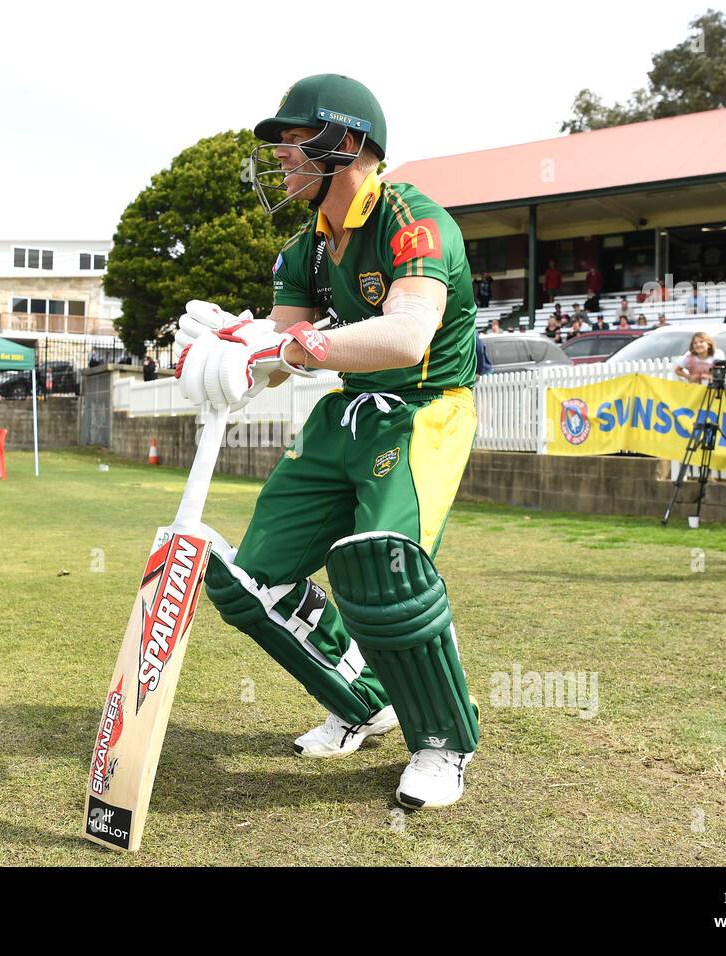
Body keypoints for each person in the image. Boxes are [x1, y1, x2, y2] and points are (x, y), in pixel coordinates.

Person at [182, 74, 481, 809]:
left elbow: (408, 336)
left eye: (292, 145)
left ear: (344, 143)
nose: (281, 162)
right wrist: (231, 352)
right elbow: (278, 355)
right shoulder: (304, 250)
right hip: (345, 416)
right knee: (251, 582)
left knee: (383, 574)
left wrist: (293, 348)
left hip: (423, 412)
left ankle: (442, 743)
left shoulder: (415, 221)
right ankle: (362, 702)